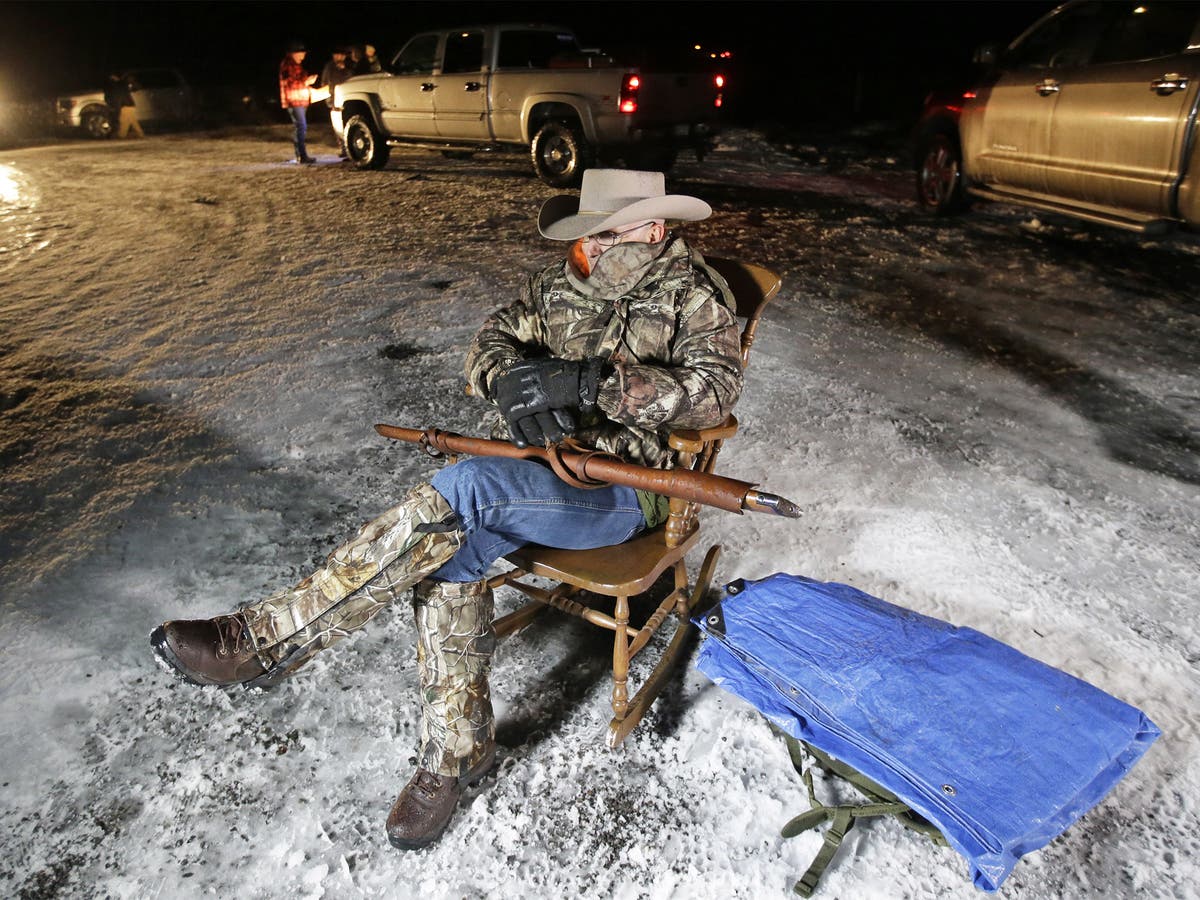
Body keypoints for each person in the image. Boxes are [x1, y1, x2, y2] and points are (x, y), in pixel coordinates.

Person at [150, 169, 744, 849]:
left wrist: (598, 385)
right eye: (589, 234)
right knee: (447, 550)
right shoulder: (562, 286)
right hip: (545, 469)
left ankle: (264, 639)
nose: (595, 249)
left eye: (610, 233)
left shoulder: (693, 294)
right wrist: (516, 386)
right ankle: (455, 757)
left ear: (654, 227)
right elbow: (489, 345)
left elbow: (713, 396)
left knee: (462, 491)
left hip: (627, 487)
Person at [279, 40, 318, 164]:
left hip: (300, 100)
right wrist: (306, 82)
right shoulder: (288, 65)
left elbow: (298, 80)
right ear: (294, 53)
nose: (304, 56)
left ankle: (302, 155)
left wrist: (307, 83)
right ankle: (301, 155)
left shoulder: (296, 65)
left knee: (301, 127)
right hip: (294, 101)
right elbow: (289, 82)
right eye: (302, 53)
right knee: (301, 126)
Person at [319, 46, 354, 157]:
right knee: (338, 125)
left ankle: (350, 149)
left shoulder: (349, 66)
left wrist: (345, 69)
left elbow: (352, 79)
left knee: (348, 123)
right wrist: (327, 98)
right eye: (336, 54)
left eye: (341, 55)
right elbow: (324, 82)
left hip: (347, 98)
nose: (339, 57)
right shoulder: (329, 66)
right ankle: (343, 149)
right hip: (333, 99)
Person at [105, 71, 144, 139]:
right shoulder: (123, 84)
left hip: (125, 106)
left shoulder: (117, 86)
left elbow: (117, 98)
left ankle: (121, 135)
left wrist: (116, 108)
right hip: (130, 105)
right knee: (132, 121)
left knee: (123, 122)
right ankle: (140, 134)